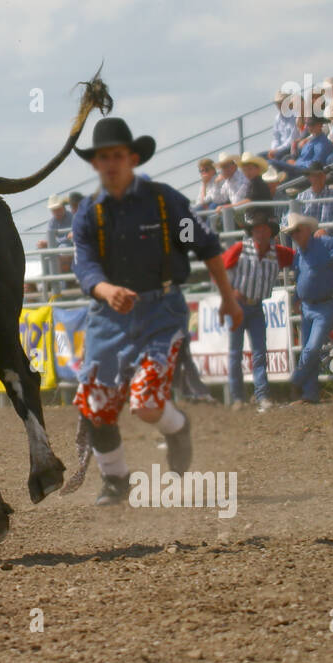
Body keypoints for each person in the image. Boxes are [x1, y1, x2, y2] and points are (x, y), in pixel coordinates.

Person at [62, 117, 241, 505]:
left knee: (145, 403)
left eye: (117, 155)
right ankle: (115, 481)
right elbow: (85, 267)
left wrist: (227, 297)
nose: (110, 163)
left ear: (133, 157)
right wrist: (108, 291)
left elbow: (205, 244)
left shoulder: (164, 203)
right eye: (103, 157)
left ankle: (176, 428)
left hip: (161, 314)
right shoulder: (89, 214)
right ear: (95, 164)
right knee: (97, 405)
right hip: (108, 318)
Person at [222, 210, 293, 411]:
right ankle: (238, 397)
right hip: (237, 306)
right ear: (252, 232)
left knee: (259, 352)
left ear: (269, 232)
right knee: (236, 353)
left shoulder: (277, 252)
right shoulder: (239, 249)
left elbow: (297, 257)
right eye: (256, 230)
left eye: (263, 230)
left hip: (256, 306)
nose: (260, 234)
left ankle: (261, 395)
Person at [281, 212, 333, 404]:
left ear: (307, 230)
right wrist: (297, 297)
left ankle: (296, 381)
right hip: (307, 306)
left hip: (324, 305)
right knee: (308, 349)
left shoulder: (324, 244)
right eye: (292, 233)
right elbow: (300, 278)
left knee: (311, 349)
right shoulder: (300, 254)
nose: (294, 235)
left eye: (297, 231)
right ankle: (309, 394)